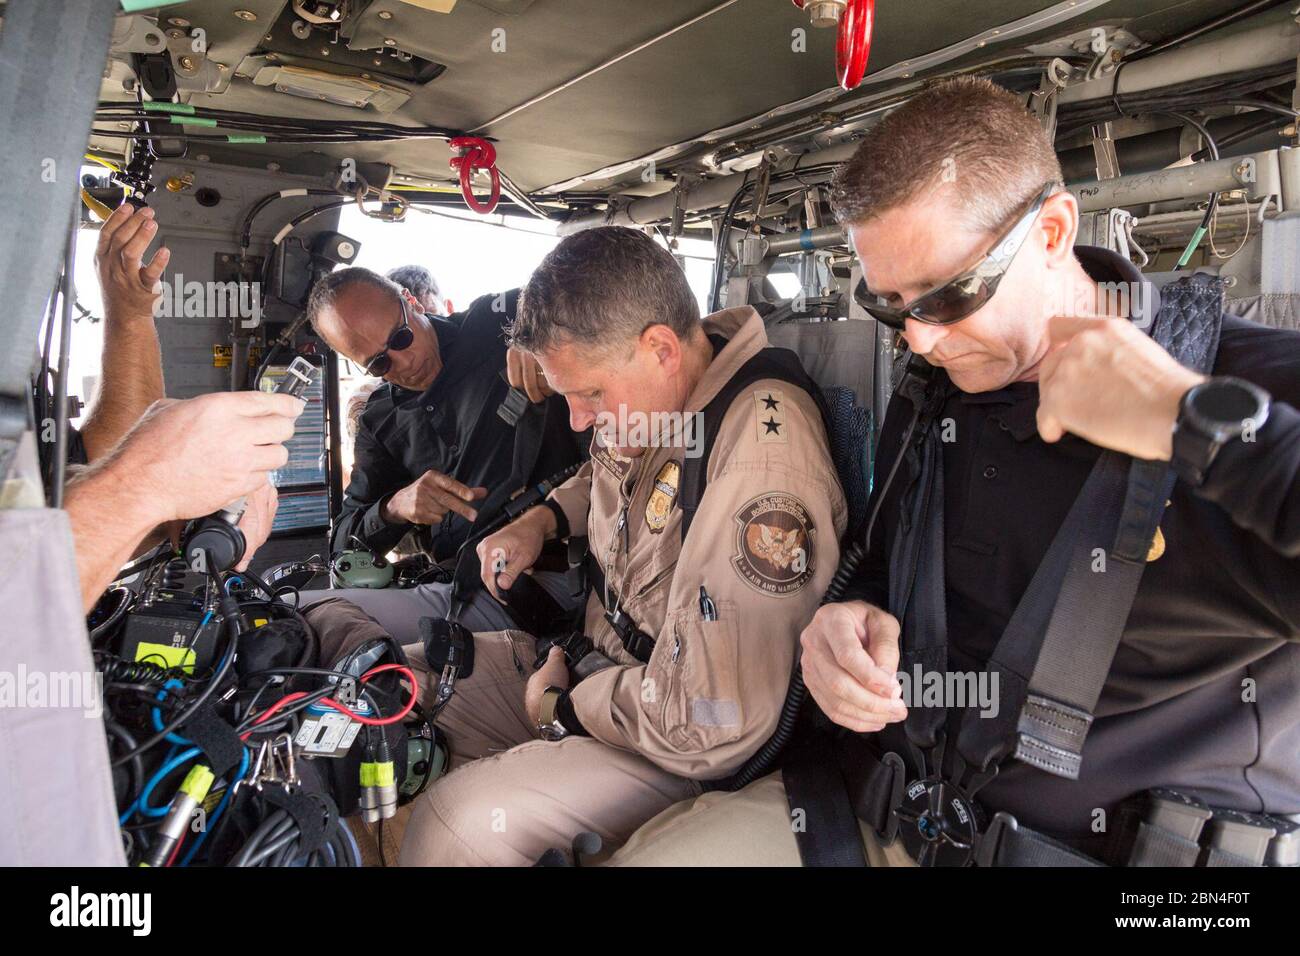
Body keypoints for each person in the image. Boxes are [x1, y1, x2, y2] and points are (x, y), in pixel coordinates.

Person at [606, 76, 1300, 867]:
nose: (920, 340)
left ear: (1051, 231)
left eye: (949, 295)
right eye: (891, 306)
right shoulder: (934, 390)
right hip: (890, 817)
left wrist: (1186, 421)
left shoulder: (1250, 382)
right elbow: (880, 562)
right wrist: (844, 623)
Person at [304, 225, 847, 864]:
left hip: (672, 739)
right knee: (373, 704)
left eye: (588, 395)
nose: (578, 421)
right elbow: (603, 473)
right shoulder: (655, 396)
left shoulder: (757, 456)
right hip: (585, 663)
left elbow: (713, 721)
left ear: (661, 348)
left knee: (451, 827)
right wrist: (542, 520)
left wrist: (565, 704)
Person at [303, 267, 584, 643]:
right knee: (304, 621)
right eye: (379, 364)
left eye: (401, 338)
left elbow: (587, 283)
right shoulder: (379, 421)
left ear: (412, 303)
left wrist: (544, 335)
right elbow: (342, 543)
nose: (403, 364)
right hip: (456, 582)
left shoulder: (495, 321)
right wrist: (394, 508)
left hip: (556, 569)